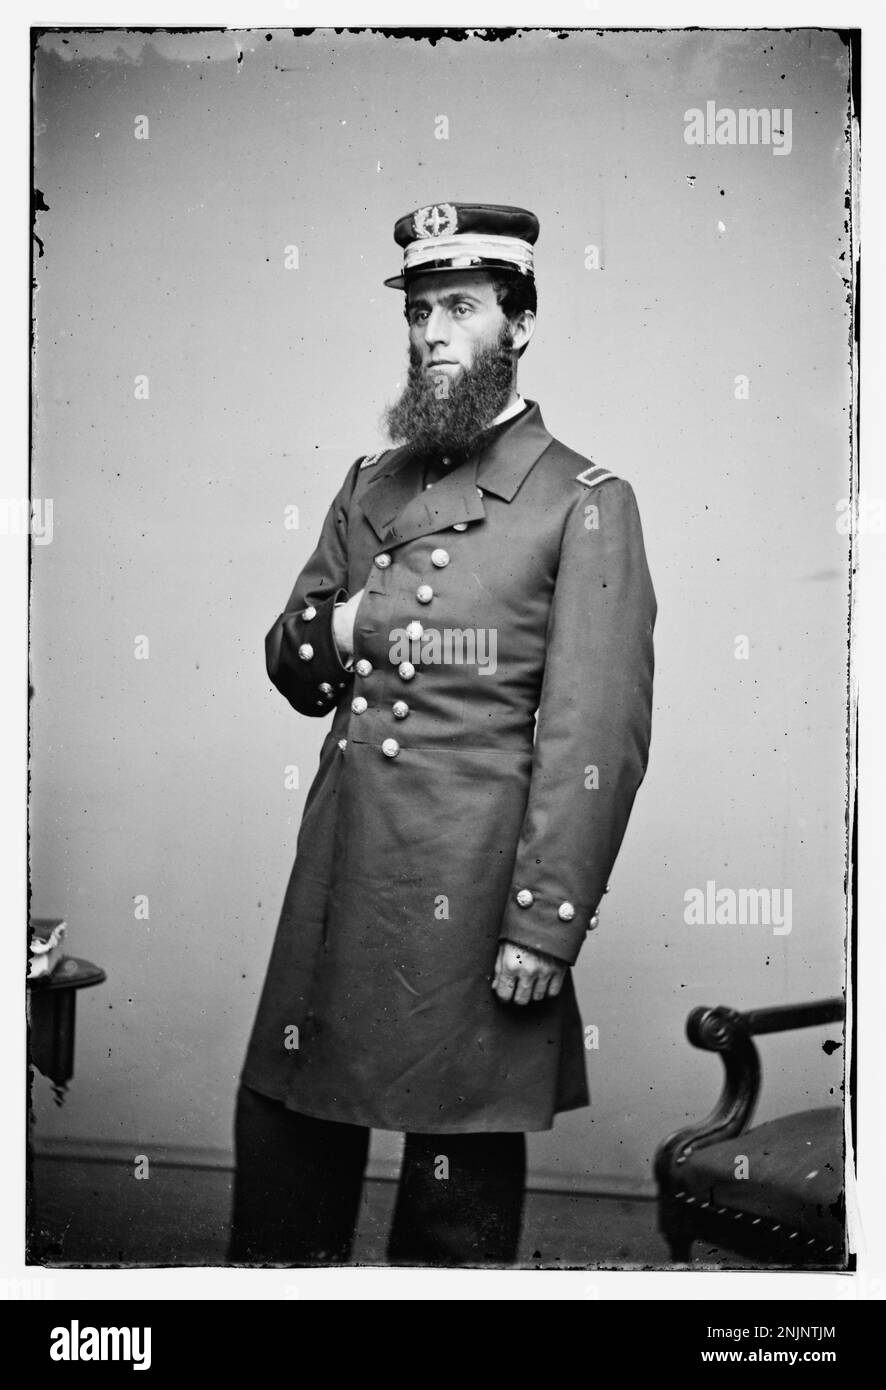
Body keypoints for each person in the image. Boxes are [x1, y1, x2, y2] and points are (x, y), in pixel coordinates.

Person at [229, 202, 657, 1267]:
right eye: (418, 311)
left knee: (450, 1213)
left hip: (471, 897)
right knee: (286, 1165)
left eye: (459, 308)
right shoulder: (371, 483)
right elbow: (292, 663)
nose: (429, 334)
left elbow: (594, 732)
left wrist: (545, 925)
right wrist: (331, 630)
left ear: (519, 325)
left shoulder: (582, 501)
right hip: (342, 875)